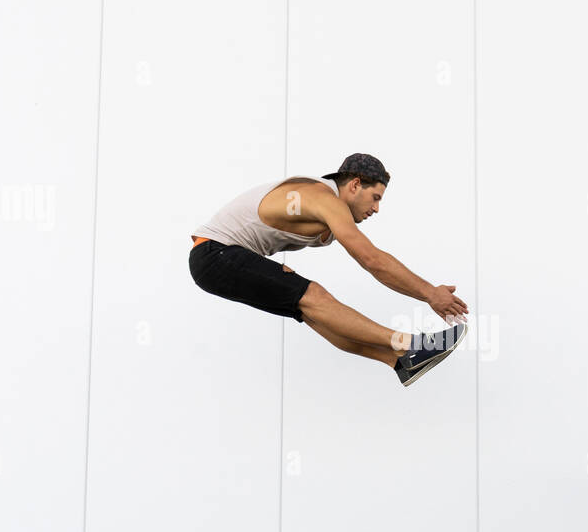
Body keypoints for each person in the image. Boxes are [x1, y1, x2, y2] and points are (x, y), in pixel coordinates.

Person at [188, 153, 469, 386]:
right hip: (215, 252)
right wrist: (430, 293)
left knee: (314, 313)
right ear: (355, 185)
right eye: (375, 197)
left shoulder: (327, 207)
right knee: (314, 296)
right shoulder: (323, 199)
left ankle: (398, 361)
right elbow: (371, 259)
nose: (376, 208)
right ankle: (409, 345)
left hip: (215, 260)